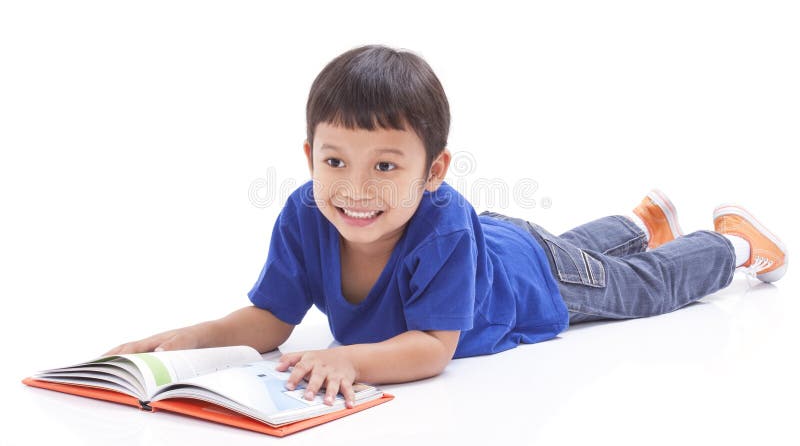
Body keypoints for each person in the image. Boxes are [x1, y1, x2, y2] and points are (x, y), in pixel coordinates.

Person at [105, 45, 788, 408]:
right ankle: (642, 220)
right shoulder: (304, 215)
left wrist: (349, 357)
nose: (355, 189)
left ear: (434, 172)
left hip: (534, 281)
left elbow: (432, 349)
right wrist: (194, 339)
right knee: (578, 251)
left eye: (386, 166)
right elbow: (269, 317)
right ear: (309, 156)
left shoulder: (443, 230)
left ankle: (730, 245)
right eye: (336, 161)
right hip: (510, 246)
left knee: (630, 287)